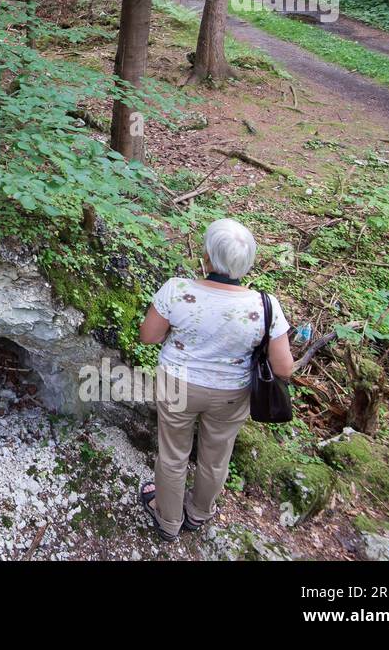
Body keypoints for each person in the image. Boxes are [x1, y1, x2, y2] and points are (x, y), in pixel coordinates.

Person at [136, 218, 294, 541]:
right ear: (247, 263)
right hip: (232, 394)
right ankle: (198, 513)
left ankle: (167, 520)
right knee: (216, 456)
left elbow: (148, 336)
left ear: (207, 256)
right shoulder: (266, 306)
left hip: (178, 385)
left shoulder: (177, 289)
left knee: (173, 454)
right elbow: (284, 369)